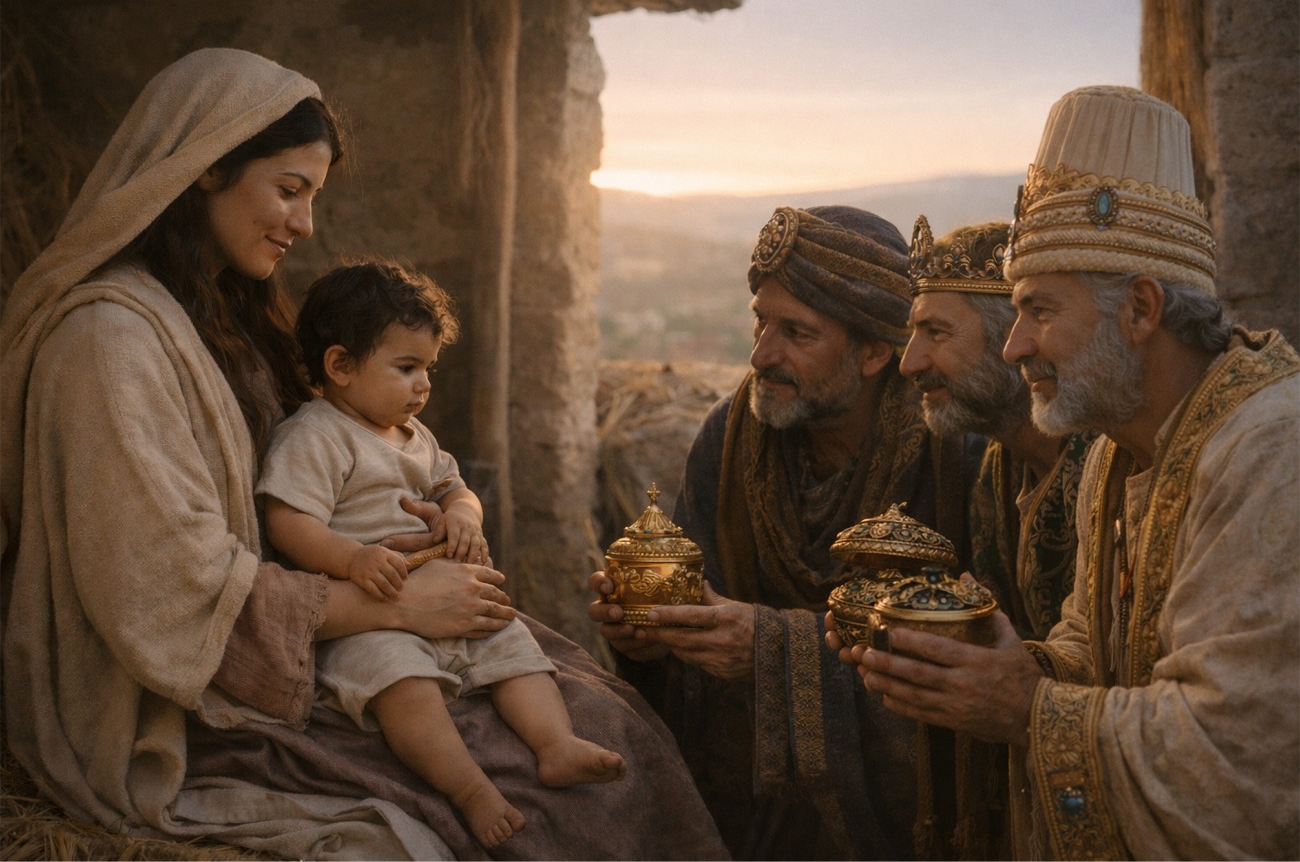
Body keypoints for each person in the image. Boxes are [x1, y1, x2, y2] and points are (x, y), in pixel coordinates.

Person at [1, 47, 727, 861]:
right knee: (551, 806)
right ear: (204, 169)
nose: (304, 224)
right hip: (201, 700)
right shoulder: (108, 342)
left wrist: (419, 544)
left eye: (312, 196)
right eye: (288, 190)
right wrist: (400, 606)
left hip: (336, 620)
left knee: (604, 713)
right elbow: (167, 592)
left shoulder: (220, 317)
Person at [849, 85, 1299, 860]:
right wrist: (985, 664)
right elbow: (1093, 657)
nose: (1016, 344)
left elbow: (1240, 764)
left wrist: (1024, 707)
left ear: (1142, 309)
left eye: (1040, 311)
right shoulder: (1116, 454)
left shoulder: (1269, 450)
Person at [589, 205, 973, 860]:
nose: (762, 354)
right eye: (760, 321)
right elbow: (696, 625)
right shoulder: (730, 437)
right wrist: (651, 641)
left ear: (876, 350)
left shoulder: (949, 455)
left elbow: (964, 682)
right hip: (748, 811)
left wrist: (769, 647)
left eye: (796, 332)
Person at [256, 260, 626, 849]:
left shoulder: (414, 437)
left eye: (428, 368)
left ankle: (555, 745)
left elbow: (457, 488)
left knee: (510, 640)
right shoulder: (317, 435)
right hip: (366, 609)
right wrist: (352, 559)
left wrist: (461, 516)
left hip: (440, 594)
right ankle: (471, 789)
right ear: (341, 365)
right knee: (401, 684)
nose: (424, 385)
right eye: (406, 368)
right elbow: (288, 519)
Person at [899, 217, 1089, 639]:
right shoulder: (995, 471)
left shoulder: (1108, 459)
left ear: (1012, 335)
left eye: (936, 333)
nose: (909, 363)